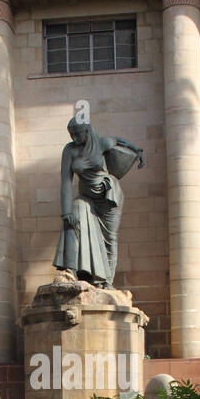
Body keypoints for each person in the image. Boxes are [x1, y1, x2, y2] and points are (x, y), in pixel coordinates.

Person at [52, 117, 144, 287]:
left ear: (87, 131)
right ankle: (70, 271)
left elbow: (119, 141)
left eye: (77, 134)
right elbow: (66, 182)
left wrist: (137, 151)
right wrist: (66, 212)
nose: (74, 139)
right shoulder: (70, 151)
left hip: (109, 197)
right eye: (71, 135)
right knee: (73, 218)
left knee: (110, 238)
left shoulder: (102, 144)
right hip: (87, 197)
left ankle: (106, 282)